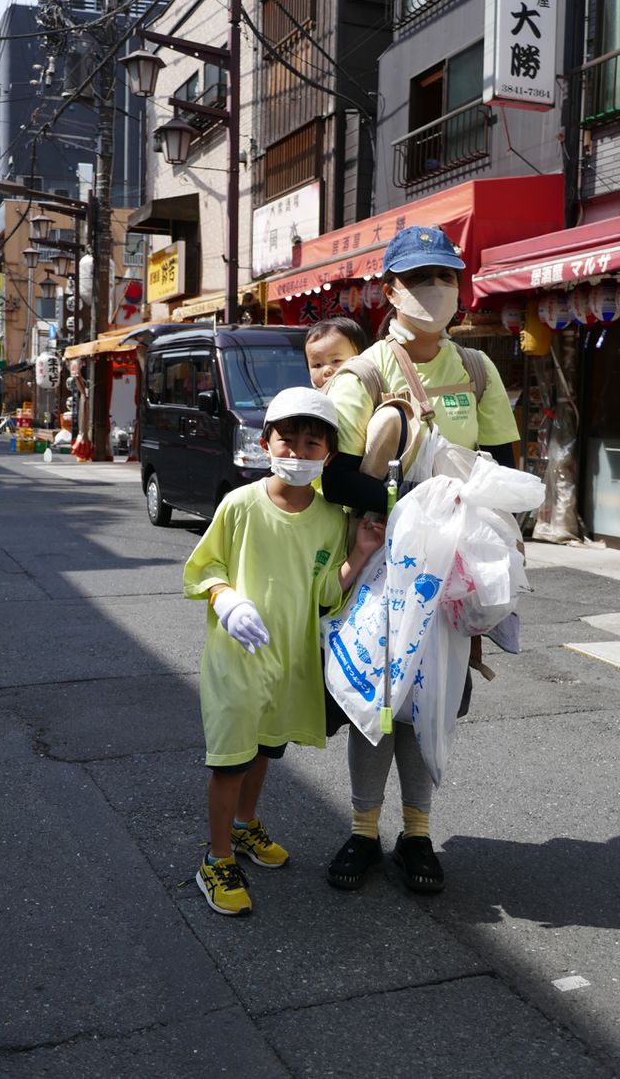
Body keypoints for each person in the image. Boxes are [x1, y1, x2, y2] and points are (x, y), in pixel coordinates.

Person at [321, 224, 520, 894]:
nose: (438, 291)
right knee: (379, 699)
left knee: (431, 699)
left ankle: (416, 835)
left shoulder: (477, 370)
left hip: (451, 571)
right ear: (391, 289)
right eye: (422, 279)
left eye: (447, 277)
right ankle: (360, 830)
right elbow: (335, 475)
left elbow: (507, 466)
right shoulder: (366, 373)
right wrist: (406, 499)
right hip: (381, 564)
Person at [183, 386, 384, 916]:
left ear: (329, 454)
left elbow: (324, 592)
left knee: (267, 749)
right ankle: (216, 857)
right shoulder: (240, 504)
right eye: (286, 441)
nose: (296, 454)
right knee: (230, 760)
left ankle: (246, 827)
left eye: (311, 444)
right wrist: (226, 601)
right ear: (265, 443)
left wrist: (360, 553)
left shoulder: (328, 519)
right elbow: (205, 566)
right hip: (236, 657)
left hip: (291, 659)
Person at [304, 317, 368, 389]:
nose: (326, 370)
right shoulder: (312, 398)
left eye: (336, 361)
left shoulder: (372, 392)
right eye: (317, 365)